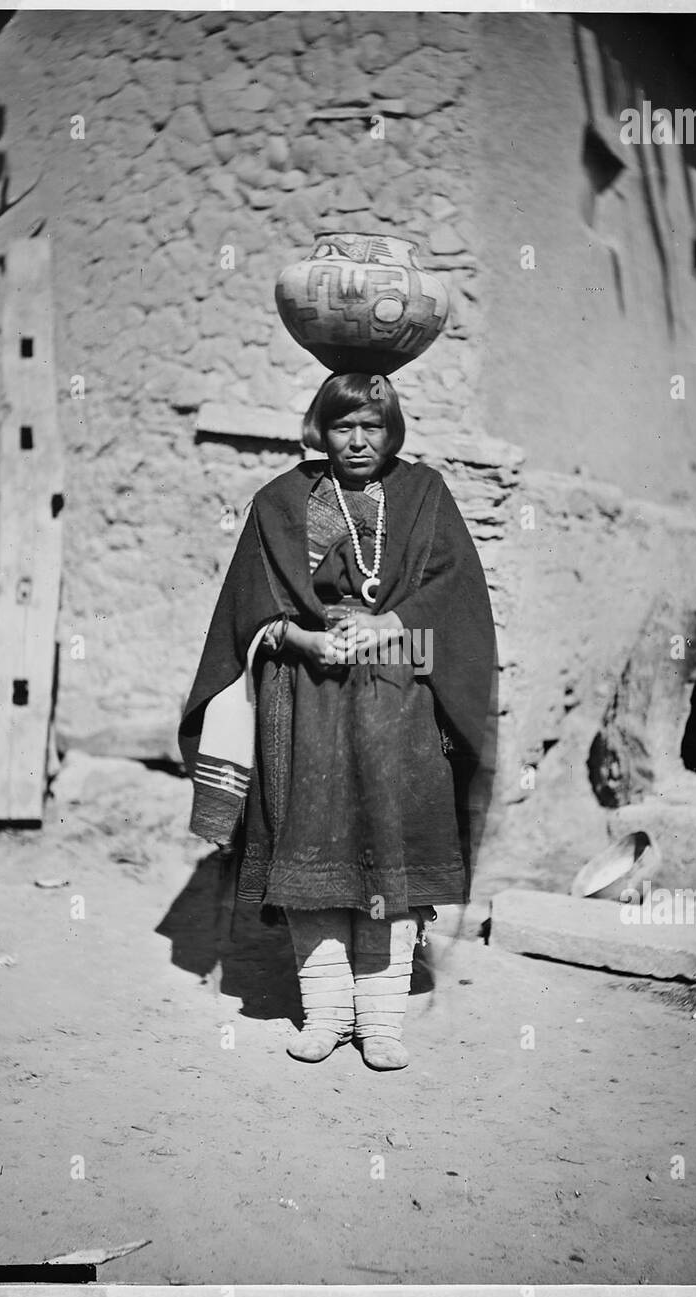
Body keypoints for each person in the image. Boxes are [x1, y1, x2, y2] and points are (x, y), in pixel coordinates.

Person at [179, 373, 495, 1071]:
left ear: (393, 432)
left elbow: (455, 595)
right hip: (304, 702)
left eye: (371, 427)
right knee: (310, 854)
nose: (357, 441)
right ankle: (326, 1014)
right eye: (343, 426)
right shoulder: (282, 501)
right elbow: (246, 609)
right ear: (320, 430)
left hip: (399, 705)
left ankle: (380, 1023)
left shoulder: (424, 495)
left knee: (391, 857)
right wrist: (303, 639)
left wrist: (390, 625)